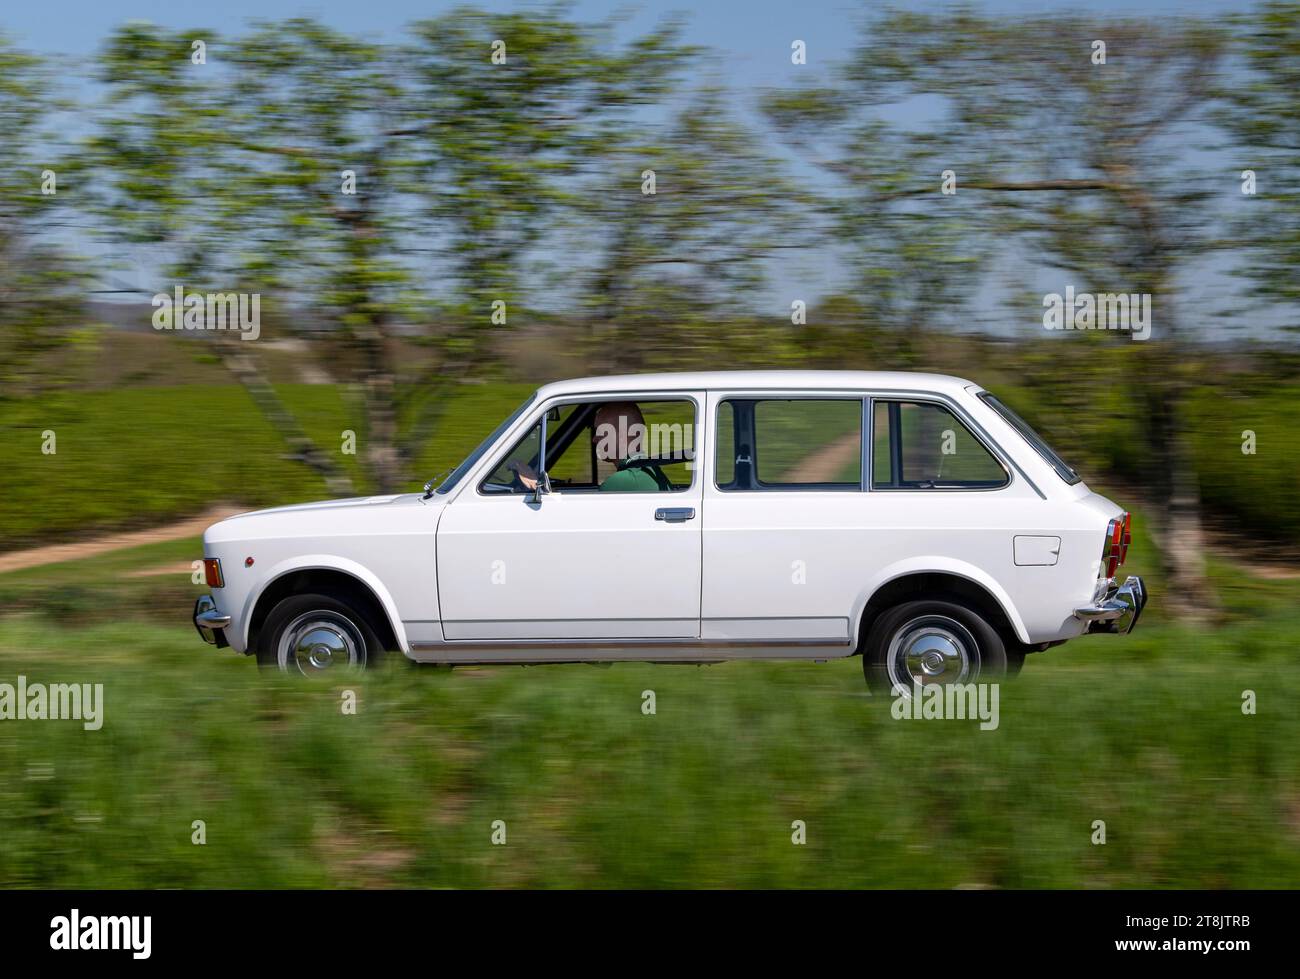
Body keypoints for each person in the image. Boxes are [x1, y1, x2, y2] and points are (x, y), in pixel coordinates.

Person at [507, 401, 669, 492]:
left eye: (599, 431)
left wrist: (537, 487)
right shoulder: (650, 472)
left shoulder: (625, 481)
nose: (594, 439)